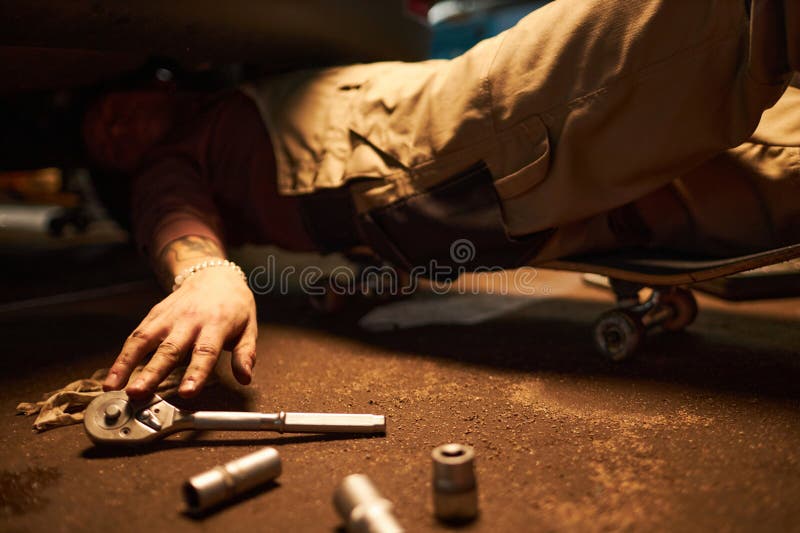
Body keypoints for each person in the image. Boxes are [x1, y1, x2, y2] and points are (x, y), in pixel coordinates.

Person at [91, 0, 798, 400]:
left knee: (767, 174)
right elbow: (171, 214)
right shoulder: (173, 161)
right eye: (106, 144)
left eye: (114, 112)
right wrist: (203, 273)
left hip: (447, 173)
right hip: (432, 141)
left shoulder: (221, 97)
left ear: (155, 81)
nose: (117, 132)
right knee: (710, 23)